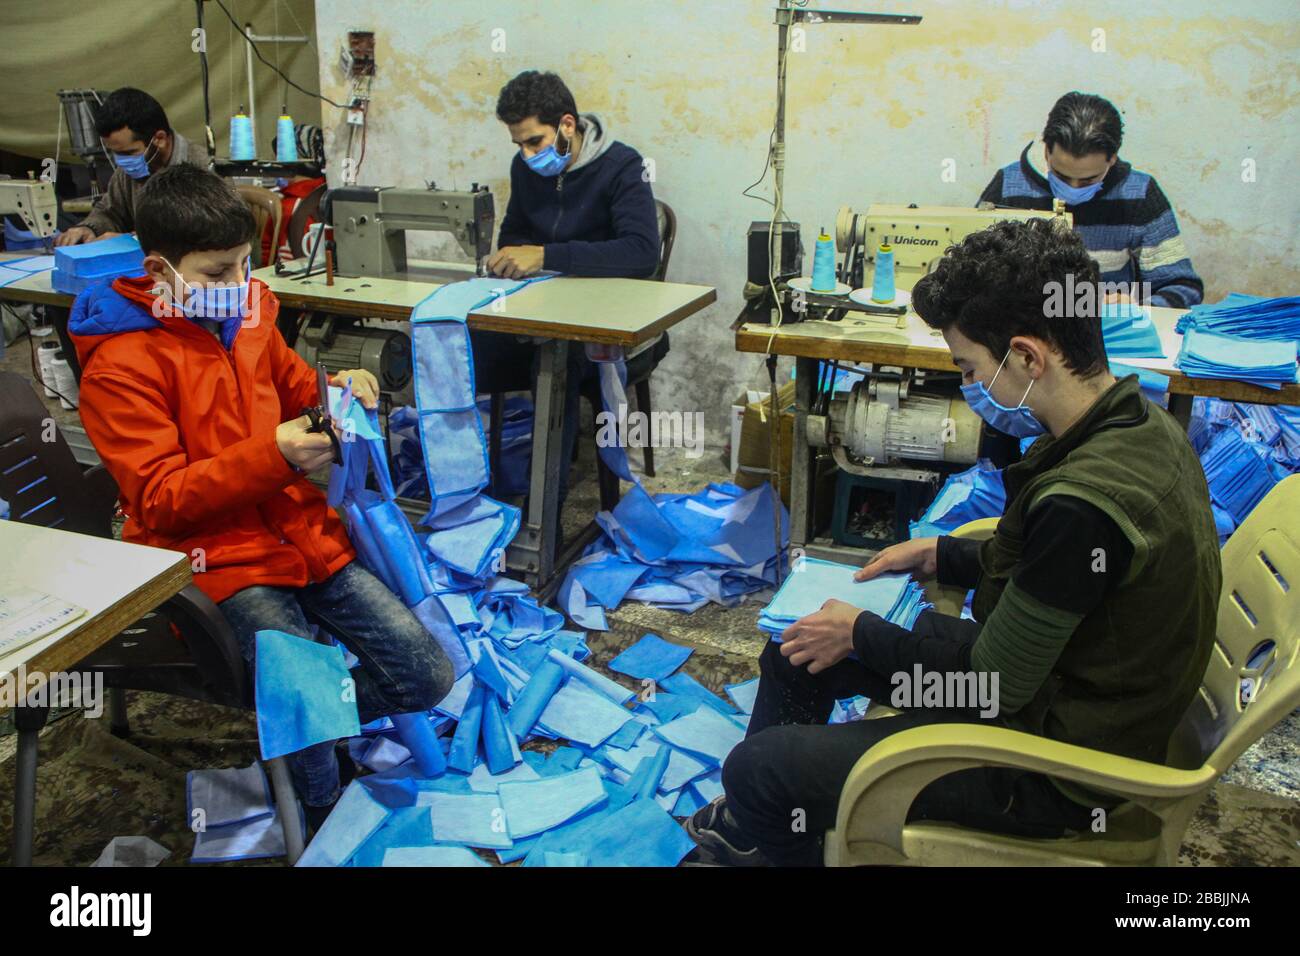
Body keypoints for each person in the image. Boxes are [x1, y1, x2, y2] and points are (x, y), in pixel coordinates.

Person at [689, 218, 1222, 866]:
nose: (972, 387)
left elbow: (990, 686)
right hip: (1065, 684)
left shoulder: (1085, 506)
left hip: (1053, 764)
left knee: (758, 767)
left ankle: (771, 805)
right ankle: (769, 823)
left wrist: (861, 633)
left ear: (1027, 357)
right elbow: (1053, 577)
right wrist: (942, 555)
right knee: (797, 647)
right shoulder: (1139, 425)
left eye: (970, 368)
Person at [68, 165, 453, 828]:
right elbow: (159, 500)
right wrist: (274, 455)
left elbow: (299, 386)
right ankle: (321, 802)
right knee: (301, 695)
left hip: (298, 537)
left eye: (246, 266)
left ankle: (309, 724)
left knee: (427, 676)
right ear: (160, 271)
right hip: (211, 562)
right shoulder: (121, 366)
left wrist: (339, 392)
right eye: (217, 273)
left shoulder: (249, 317)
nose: (237, 286)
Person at [479, 69, 660, 505]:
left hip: (609, 323)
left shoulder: (624, 167)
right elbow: (514, 237)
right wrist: (505, 259)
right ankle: (467, 497)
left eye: (534, 142)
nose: (526, 155)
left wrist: (546, 256)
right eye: (518, 145)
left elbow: (641, 253)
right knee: (457, 348)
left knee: (556, 361)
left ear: (566, 125)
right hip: (545, 310)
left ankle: (544, 522)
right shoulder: (526, 171)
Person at [978, 91, 1202, 309]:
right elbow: (969, 275)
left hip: (1107, 330)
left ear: (1112, 159)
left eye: (1087, 180)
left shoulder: (1139, 194)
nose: (1072, 188)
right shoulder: (1009, 185)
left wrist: (1138, 307)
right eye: (1061, 176)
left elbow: (1183, 288)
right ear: (1046, 150)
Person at [55, 87, 210, 247]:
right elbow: (110, 212)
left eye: (129, 152)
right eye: (115, 153)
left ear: (160, 139)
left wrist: (130, 240)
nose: (121, 161)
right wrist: (90, 228)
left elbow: (206, 234)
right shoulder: (128, 172)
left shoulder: (204, 170)